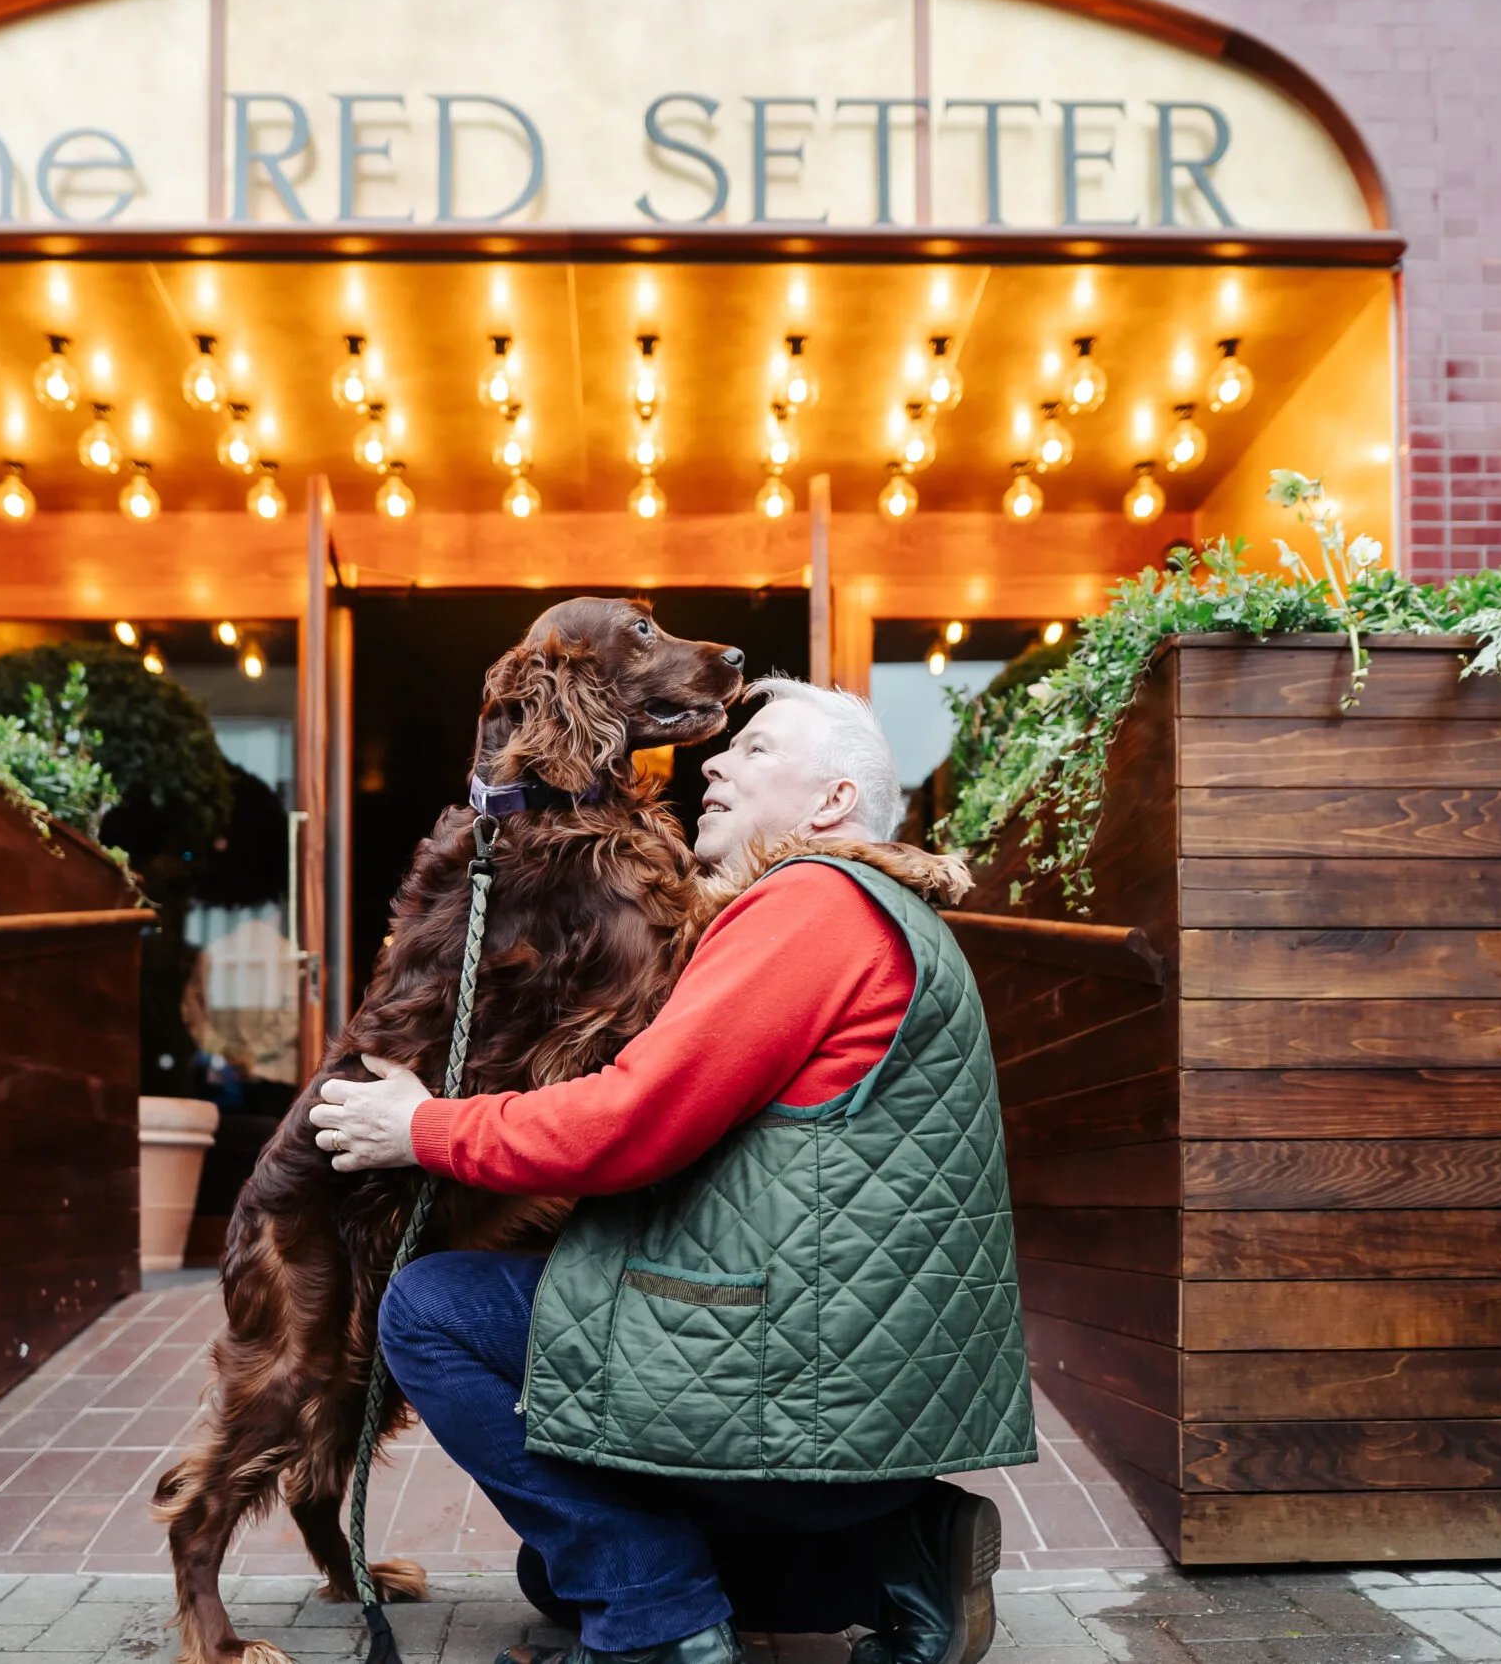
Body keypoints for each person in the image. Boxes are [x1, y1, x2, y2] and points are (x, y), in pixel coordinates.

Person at [309, 676, 1032, 1664]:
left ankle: (662, 1629)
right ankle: (894, 1550)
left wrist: (426, 1126)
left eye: (757, 750)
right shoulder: (888, 917)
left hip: (797, 1388)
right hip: (866, 1404)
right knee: (551, 1576)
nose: (714, 763)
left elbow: (630, 1122)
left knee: (431, 1307)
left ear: (829, 806)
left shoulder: (811, 905)